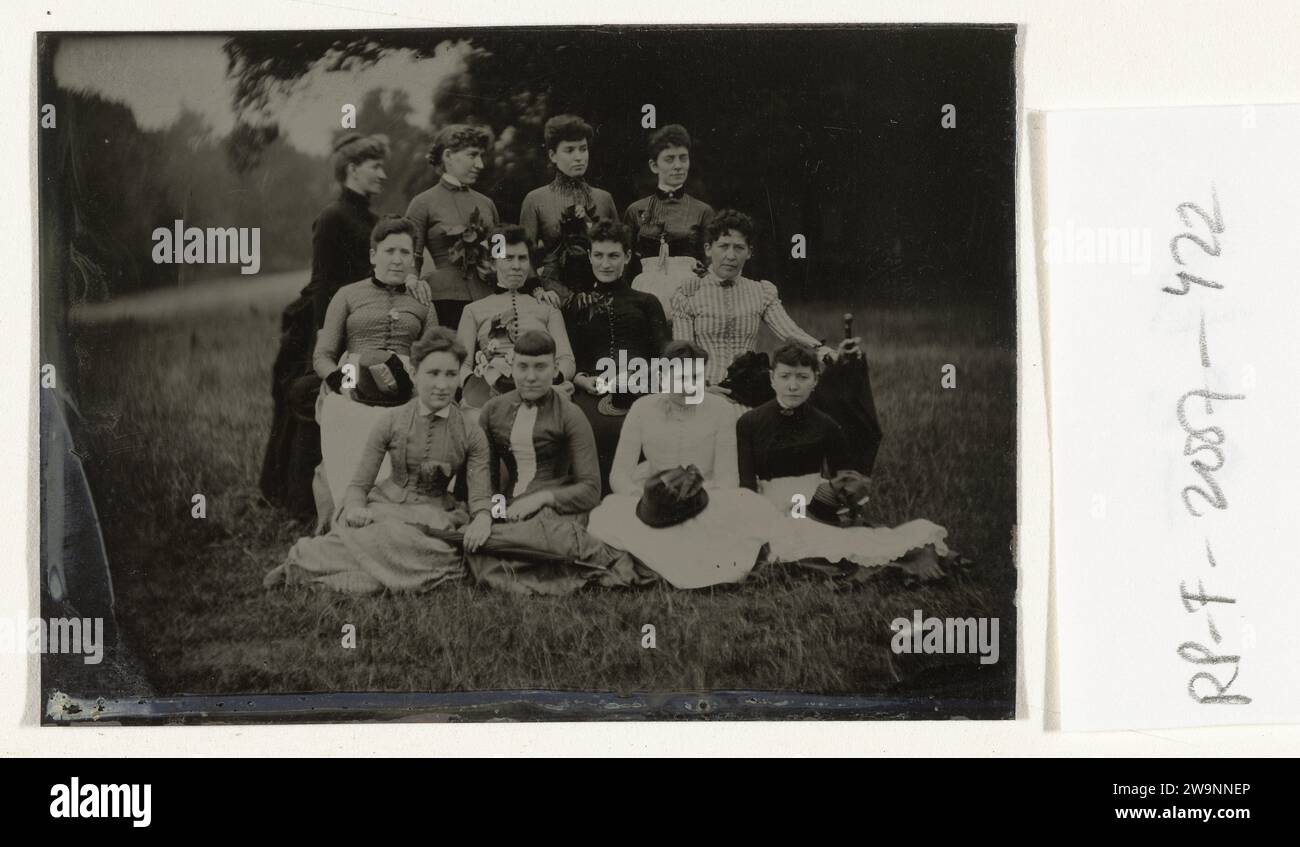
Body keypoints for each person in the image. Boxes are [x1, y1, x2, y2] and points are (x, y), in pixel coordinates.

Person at [260, 132, 428, 519]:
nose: (383, 174)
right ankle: (300, 503)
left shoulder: (371, 219)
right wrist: (326, 343)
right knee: (311, 403)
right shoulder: (333, 216)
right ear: (353, 170)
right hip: (323, 322)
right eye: (375, 167)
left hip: (361, 317)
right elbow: (323, 282)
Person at [264, 328, 494, 594]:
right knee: (378, 535)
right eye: (433, 374)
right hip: (386, 508)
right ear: (415, 374)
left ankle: (346, 580)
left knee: (440, 552)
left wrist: (482, 518)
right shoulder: (392, 421)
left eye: (450, 374)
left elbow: (480, 493)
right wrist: (356, 507)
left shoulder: (471, 431)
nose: (442, 385)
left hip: (435, 517)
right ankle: (310, 562)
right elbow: (359, 485)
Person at [737, 341, 949, 577]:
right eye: (785, 376)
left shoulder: (826, 425)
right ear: (772, 378)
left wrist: (837, 505)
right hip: (769, 506)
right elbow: (746, 486)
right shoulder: (749, 422)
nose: (793, 386)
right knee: (784, 544)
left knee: (847, 544)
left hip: (816, 507)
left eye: (802, 377)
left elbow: (843, 480)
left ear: (815, 380)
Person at [470, 330, 652, 594]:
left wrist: (542, 499)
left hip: (556, 511)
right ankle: (532, 564)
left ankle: (521, 563)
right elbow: (486, 474)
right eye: (523, 367)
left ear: (555, 368)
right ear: (511, 367)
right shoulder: (492, 410)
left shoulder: (570, 414)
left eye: (540, 367)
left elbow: (590, 489)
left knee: (515, 543)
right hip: (508, 508)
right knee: (479, 539)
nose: (531, 377)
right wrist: (486, 514)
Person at [585, 341, 775, 589]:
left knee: (742, 507)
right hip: (653, 497)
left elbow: (728, 477)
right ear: (662, 375)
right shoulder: (642, 409)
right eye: (679, 377)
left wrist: (699, 500)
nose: (688, 386)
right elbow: (620, 474)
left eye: (695, 378)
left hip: (707, 496)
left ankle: (670, 566)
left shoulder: (721, 410)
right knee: (606, 515)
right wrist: (640, 498)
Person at [313, 215, 440, 516]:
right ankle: (346, 516)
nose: (397, 260)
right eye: (389, 251)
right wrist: (347, 385)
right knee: (346, 430)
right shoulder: (348, 295)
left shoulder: (422, 301)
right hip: (351, 384)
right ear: (373, 256)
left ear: (413, 260)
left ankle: (398, 516)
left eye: (405, 253)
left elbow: (435, 355)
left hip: (407, 390)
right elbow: (323, 355)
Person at [670, 209, 834, 388]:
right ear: (708, 249)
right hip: (705, 389)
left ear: (749, 252)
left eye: (739, 248)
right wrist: (704, 390)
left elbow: (789, 333)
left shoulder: (761, 291)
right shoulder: (688, 294)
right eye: (724, 246)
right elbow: (683, 354)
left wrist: (821, 351)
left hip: (749, 387)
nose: (731, 256)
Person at [564, 221, 670, 493]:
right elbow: (571, 355)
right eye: (598, 255)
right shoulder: (578, 303)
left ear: (627, 256)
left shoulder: (646, 302)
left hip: (642, 387)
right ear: (589, 256)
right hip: (592, 390)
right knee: (587, 428)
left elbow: (663, 351)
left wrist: (645, 377)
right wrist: (580, 380)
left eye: (613, 256)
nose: (605, 263)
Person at [456, 225, 575, 408]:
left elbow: (566, 360)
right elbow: (461, 365)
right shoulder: (473, 310)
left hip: (542, 390)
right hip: (490, 395)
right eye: (508, 258)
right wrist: (479, 386)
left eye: (523, 258)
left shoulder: (547, 308)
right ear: (494, 263)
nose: (517, 266)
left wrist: (551, 381)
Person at [404, 124, 500, 333]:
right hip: (445, 301)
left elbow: (499, 252)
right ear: (448, 155)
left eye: (481, 156)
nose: (480, 164)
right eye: (472, 155)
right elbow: (412, 253)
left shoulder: (486, 203)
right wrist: (411, 277)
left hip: (488, 298)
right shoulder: (423, 202)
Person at [519, 115, 620, 301]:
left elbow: (619, 250)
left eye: (583, 149)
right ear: (552, 155)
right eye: (569, 150)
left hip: (600, 295)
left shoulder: (604, 198)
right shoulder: (535, 199)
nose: (579, 157)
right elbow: (524, 254)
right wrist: (538, 291)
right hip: (553, 296)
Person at [623, 124, 714, 305]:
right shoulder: (635, 210)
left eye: (683, 158)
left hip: (690, 296)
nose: (678, 166)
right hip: (644, 295)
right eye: (669, 159)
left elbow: (710, 264)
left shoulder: (702, 211)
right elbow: (626, 265)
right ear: (654, 165)